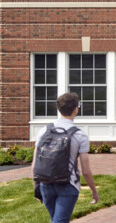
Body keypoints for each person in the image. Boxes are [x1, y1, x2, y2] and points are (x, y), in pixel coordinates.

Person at [33, 92, 98, 223]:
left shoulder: (44, 130)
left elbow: (35, 164)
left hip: (45, 184)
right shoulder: (80, 135)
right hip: (68, 185)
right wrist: (94, 191)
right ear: (76, 110)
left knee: (57, 220)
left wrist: (37, 187)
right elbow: (86, 171)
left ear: (59, 109)